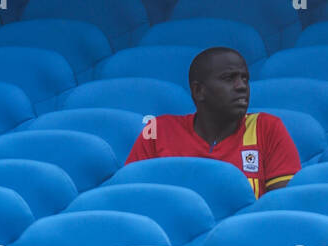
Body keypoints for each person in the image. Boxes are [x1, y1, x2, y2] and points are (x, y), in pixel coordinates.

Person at [124, 46, 300, 199]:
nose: (241, 86)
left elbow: (283, 207)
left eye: (244, 78)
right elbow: (132, 197)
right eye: (229, 78)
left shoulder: (266, 128)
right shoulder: (158, 130)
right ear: (198, 91)